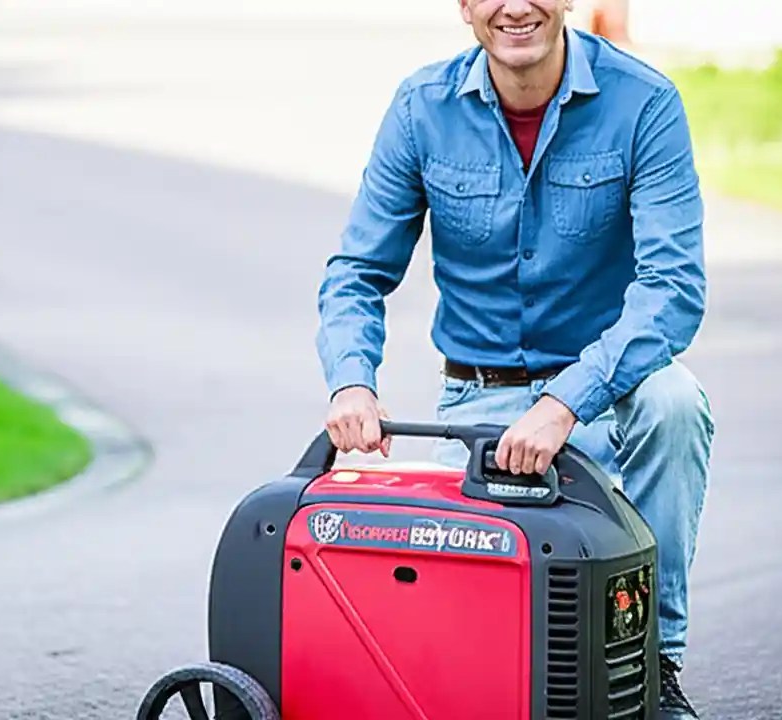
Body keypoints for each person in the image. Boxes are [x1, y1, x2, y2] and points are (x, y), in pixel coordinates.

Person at [314, 2, 714, 718]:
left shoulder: (644, 103)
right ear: (465, 7)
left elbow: (673, 290)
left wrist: (566, 402)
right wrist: (352, 384)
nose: (515, 7)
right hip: (480, 406)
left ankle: (653, 665)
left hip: (607, 393)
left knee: (675, 402)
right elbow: (356, 272)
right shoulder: (421, 109)